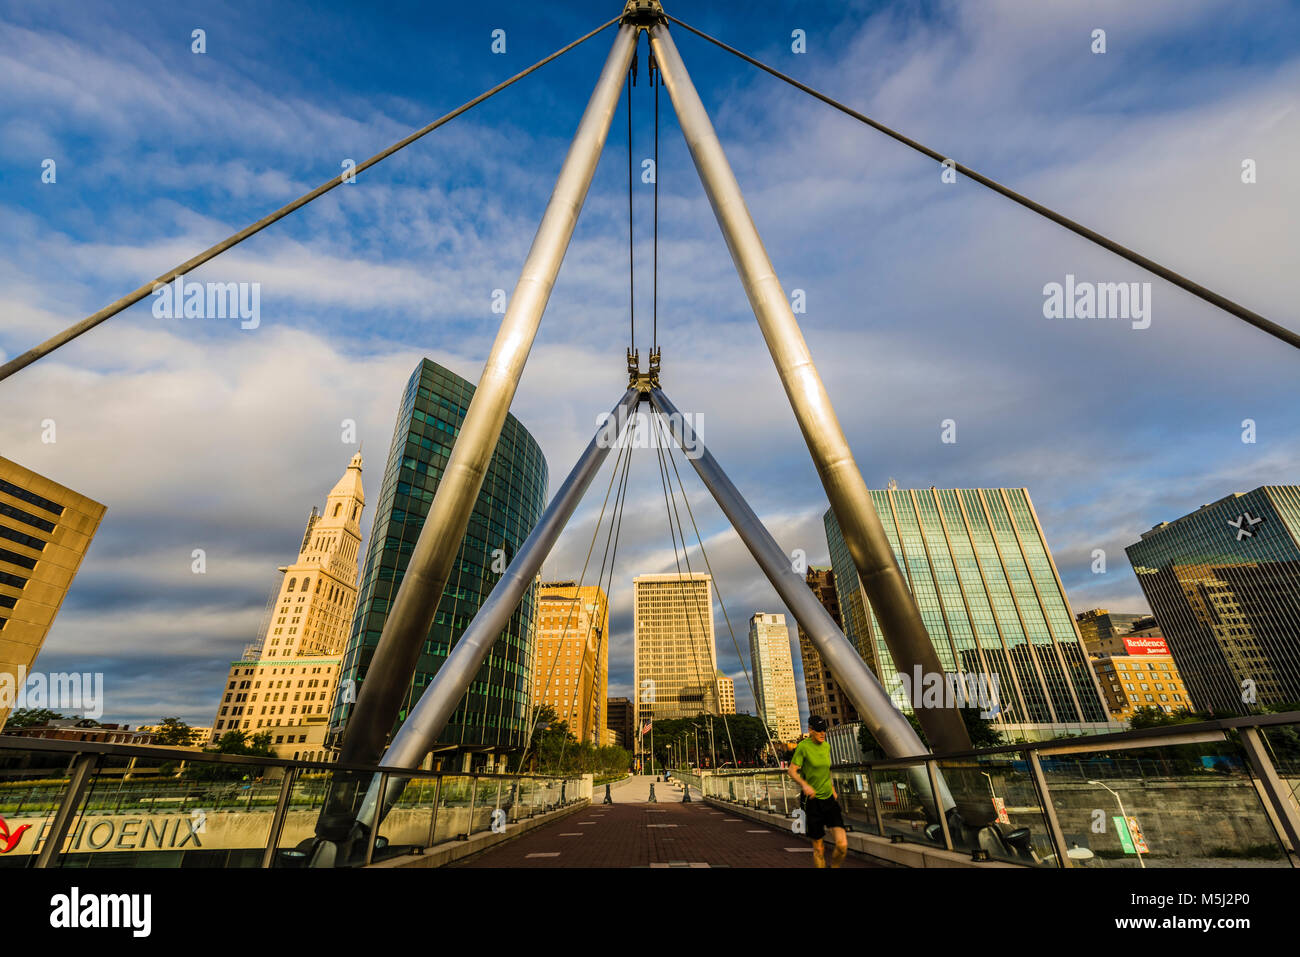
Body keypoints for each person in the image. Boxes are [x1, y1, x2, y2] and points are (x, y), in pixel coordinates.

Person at [787, 715, 847, 868]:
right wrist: (804, 785)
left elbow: (826, 771)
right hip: (812, 802)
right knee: (819, 849)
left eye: (824, 731)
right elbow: (792, 771)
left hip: (829, 800)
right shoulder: (803, 747)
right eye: (819, 730)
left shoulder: (827, 746)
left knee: (842, 845)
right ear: (810, 730)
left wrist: (832, 788)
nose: (822, 734)